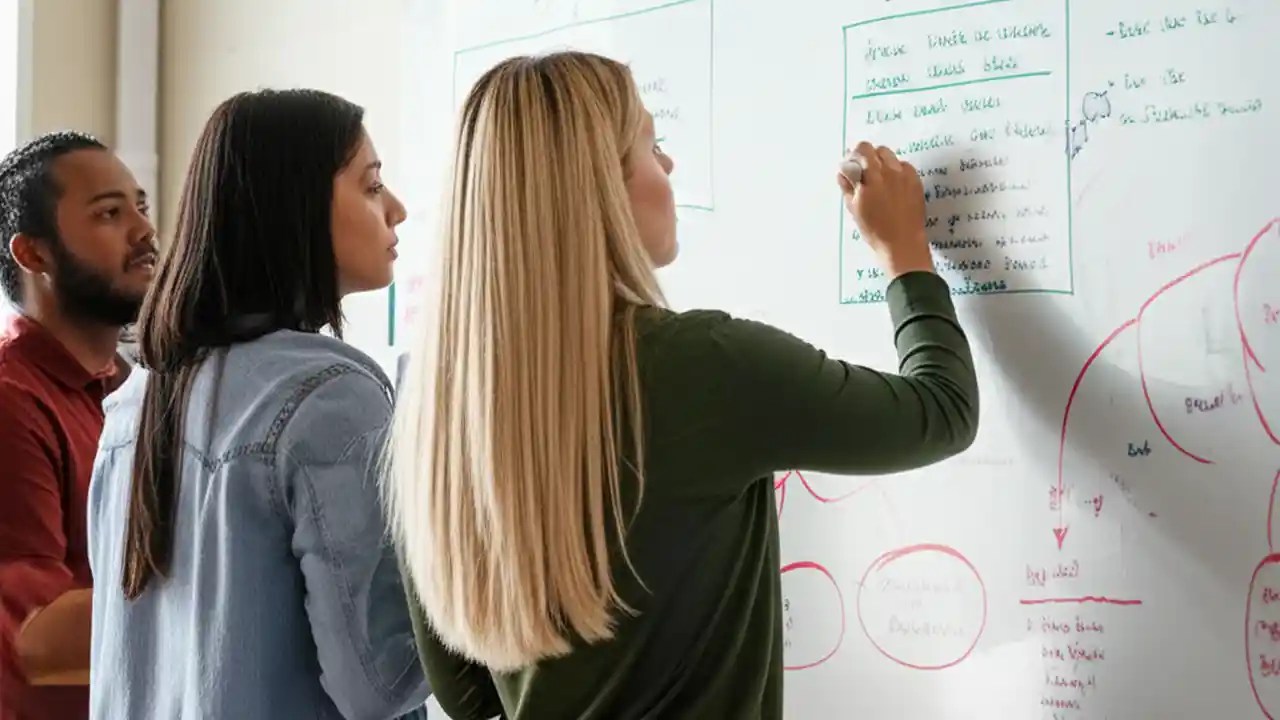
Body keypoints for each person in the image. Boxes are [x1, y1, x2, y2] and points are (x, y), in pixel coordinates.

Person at [386, 51, 979, 719]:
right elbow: (944, 409)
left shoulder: (435, 411)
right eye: (651, 144)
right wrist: (903, 253)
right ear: (599, 187)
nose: (667, 167)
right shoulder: (703, 366)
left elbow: (467, 696)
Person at [87, 89, 430, 719]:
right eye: (372, 185)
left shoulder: (133, 402)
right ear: (292, 204)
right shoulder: (330, 400)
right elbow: (380, 685)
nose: (398, 210)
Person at [0, 131, 154, 720]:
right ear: (33, 254)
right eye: (110, 214)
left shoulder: (142, 392)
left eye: (140, 206)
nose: (145, 232)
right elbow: (34, 639)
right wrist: (242, 593)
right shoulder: (12, 402)